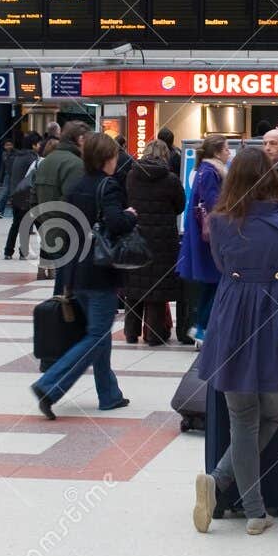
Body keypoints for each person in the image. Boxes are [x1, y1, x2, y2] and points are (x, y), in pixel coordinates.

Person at [191, 147, 278, 536]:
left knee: (242, 419)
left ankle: (247, 506)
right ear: (271, 176)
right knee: (272, 415)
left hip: (231, 315)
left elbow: (220, 265)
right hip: (275, 318)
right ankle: (223, 485)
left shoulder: (219, 221)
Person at [30, 133, 132, 419]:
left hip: (77, 268)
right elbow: (115, 222)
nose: (116, 160)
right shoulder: (108, 186)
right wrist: (131, 215)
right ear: (105, 159)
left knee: (99, 333)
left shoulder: (76, 186)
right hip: (100, 271)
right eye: (114, 155)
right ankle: (49, 385)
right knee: (97, 335)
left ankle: (109, 394)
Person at [123, 139, 186, 345]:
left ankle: (131, 333)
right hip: (163, 239)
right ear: (165, 155)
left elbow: (127, 201)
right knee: (157, 289)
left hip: (136, 235)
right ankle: (154, 335)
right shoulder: (170, 179)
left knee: (134, 286)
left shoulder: (131, 175)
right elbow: (180, 206)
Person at [178, 133, 228, 342]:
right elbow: (213, 203)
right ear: (216, 152)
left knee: (211, 282)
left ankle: (201, 325)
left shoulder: (205, 170)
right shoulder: (210, 172)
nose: (228, 152)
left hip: (203, 236)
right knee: (216, 280)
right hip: (209, 238)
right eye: (225, 148)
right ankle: (202, 326)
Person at [33, 121, 87, 291]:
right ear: (79, 139)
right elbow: (74, 203)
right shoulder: (75, 164)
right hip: (70, 236)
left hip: (50, 230)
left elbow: (33, 198)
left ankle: (59, 313)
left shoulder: (46, 162)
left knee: (62, 283)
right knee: (69, 287)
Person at [1, 137, 37, 259]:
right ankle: (23, 252)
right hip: (26, 195)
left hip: (15, 194)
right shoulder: (32, 159)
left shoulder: (15, 157)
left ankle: (8, 251)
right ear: (33, 145)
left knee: (16, 224)